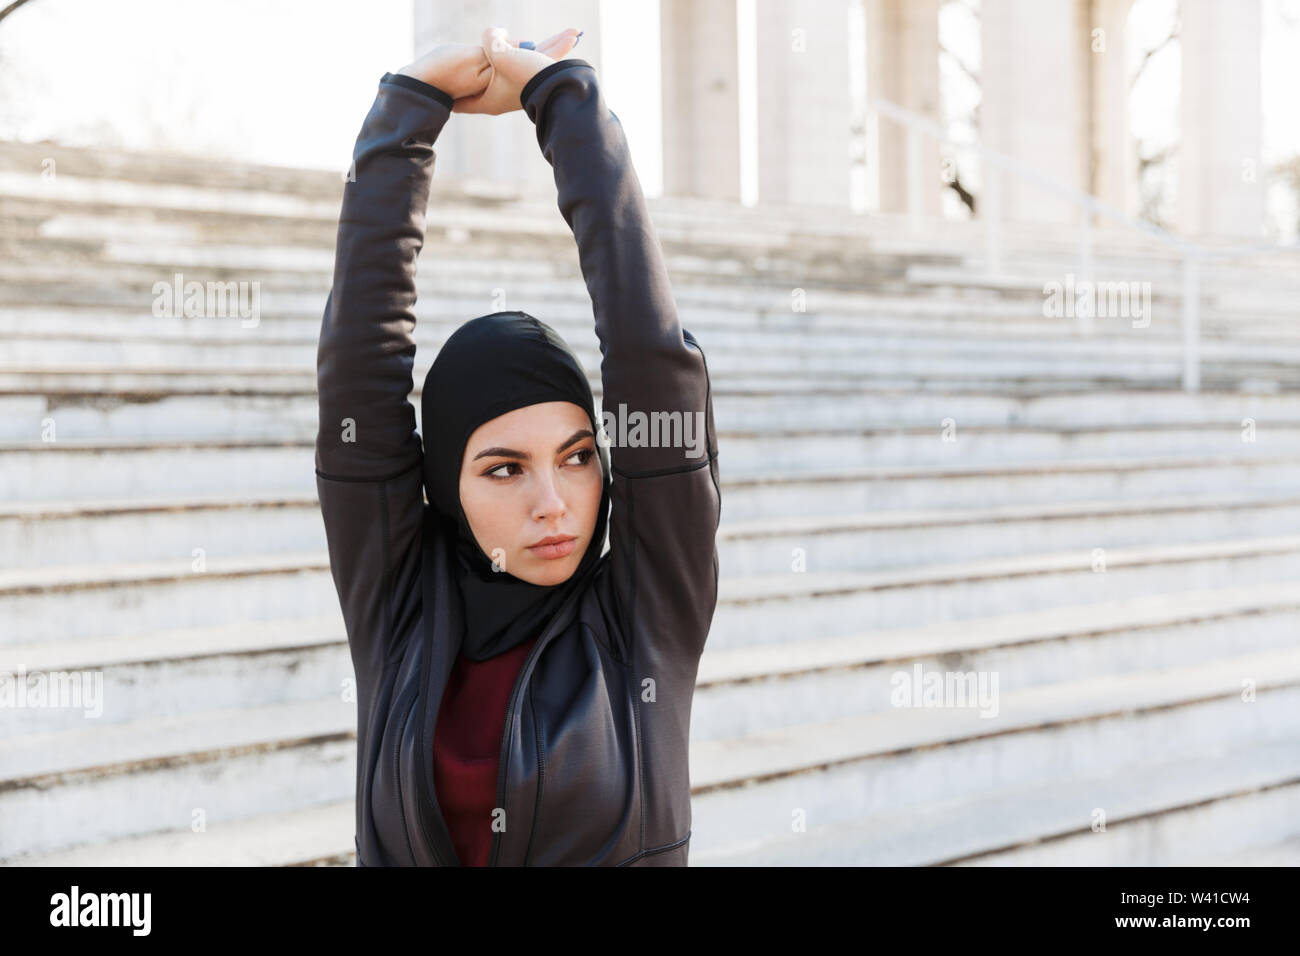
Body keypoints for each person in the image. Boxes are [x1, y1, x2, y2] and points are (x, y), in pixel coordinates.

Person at [315, 26, 722, 866]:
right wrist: (408, 107)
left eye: (579, 457)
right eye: (504, 468)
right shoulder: (400, 611)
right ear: (442, 487)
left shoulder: (646, 616)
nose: (555, 502)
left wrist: (566, 102)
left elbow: (651, 361)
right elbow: (360, 371)